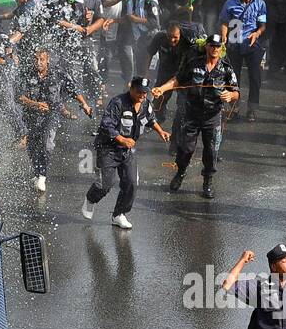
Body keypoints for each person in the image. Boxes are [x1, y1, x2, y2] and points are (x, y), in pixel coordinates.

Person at [156, 34, 239, 199]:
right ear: (207, 46)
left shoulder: (226, 69)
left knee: (211, 152)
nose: (215, 49)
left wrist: (230, 96)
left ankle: (207, 181)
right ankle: (180, 172)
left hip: (213, 117)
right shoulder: (194, 65)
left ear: (221, 49)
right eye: (212, 45)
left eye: (218, 46)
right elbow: (177, 80)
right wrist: (162, 89)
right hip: (192, 113)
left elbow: (236, 91)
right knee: (185, 148)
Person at [82, 75, 169, 230]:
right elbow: (106, 125)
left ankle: (119, 214)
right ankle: (91, 199)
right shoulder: (118, 103)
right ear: (131, 89)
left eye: (145, 93)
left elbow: (151, 119)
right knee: (105, 184)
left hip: (127, 151)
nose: (142, 95)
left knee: (131, 183)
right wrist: (122, 139)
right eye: (139, 92)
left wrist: (161, 131)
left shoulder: (145, 104)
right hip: (108, 148)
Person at [14, 46, 92, 193]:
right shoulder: (26, 74)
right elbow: (18, 97)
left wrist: (85, 104)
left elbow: (73, 89)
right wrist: (35, 104)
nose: (38, 62)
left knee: (47, 143)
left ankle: (42, 175)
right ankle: (37, 172)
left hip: (52, 114)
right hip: (31, 115)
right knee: (33, 147)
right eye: (36, 59)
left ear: (47, 60)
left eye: (41, 59)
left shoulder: (58, 73)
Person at [219, 0, 268, 122]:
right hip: (234, 39)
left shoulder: (260, 3)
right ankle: (234, 107)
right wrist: (224, 37)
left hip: (252, 41)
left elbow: (263, 25)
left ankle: (252, 109)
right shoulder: (230, 3)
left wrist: (257, 33)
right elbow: (224, 22)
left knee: (255, 77)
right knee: (233, 77)